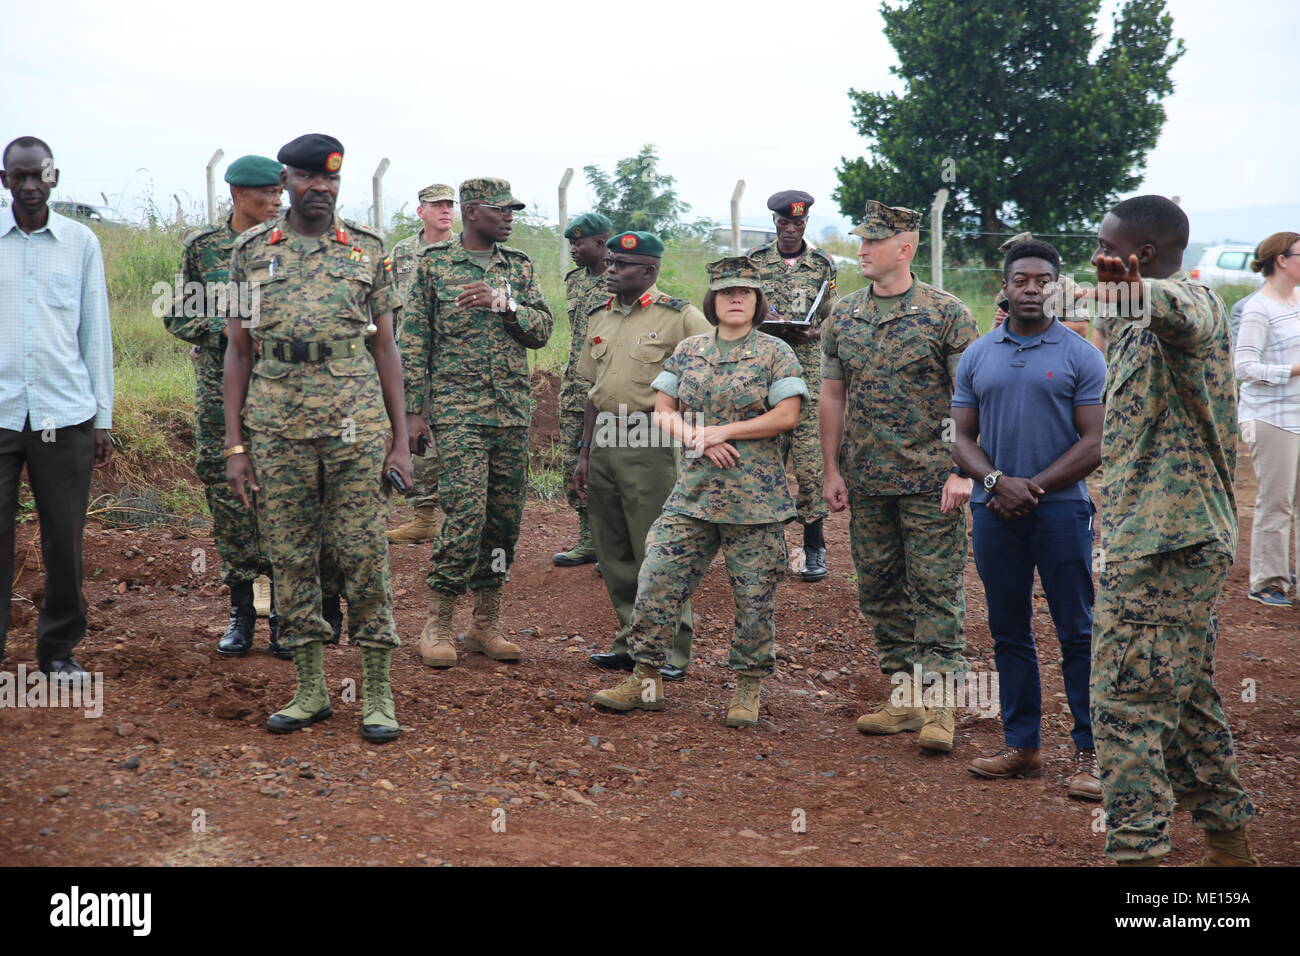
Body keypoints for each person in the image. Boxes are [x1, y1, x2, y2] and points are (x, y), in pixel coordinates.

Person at [224, 133, 413, 743]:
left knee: (362, 553)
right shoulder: (252, 250)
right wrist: (235, 446)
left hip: (353, 427)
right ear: (287, 183)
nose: (321, 188)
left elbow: (386, 346)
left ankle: (378, 693)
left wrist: (400, 441)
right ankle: (310, 690)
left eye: (331, 179)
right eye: (308, 179)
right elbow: (237, 350)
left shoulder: (366, 250)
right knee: (291, 555)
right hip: (276, 428)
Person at [1089, 194, 1257, 866]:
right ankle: (1227, 839)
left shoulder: (1195, 305)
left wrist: (1143, 294)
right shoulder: (1127, 325)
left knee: (1124, 707)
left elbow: (1181, 312)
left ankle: (1137, 857)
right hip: (1145, 543)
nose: (1097, 256)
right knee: (1184, 696)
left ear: (1143, 255)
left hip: (1169, 546)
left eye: (1107, 246)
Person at [591, 256, 806, 725]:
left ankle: (747, 690)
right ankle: (646, 681)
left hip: (754, 500)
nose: (735, 299)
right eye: (727, 292)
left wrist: (722, 432)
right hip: (693, 495)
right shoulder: (689, 349)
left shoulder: (775, 352)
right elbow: (663, 408)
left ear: (756, 301)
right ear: (712, 300)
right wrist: (695, 436)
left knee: (753, 598)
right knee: (657, 579)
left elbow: (787, 415)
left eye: (744, 292)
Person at [820, 200, 977, 754]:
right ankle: (904, 695)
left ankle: (939, 706)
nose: (860, 249)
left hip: (931, 481)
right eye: (860, 241)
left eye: (872, 242)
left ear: (904, 249)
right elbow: (833, 393)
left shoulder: (946, 313)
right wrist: (832, 468)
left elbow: (969, 399)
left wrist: (964, 471)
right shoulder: (843, 313)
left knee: (935, 590)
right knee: (879, 589)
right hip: (866, 480)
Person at [951, 239, 1105, 800]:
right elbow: (960, 437)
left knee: (1077, 630)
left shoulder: (1080, 354)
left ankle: (1093, 753)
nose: (1033, 288)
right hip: (993, 511)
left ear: (1056, 287)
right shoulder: (979, 354)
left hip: (1061, 510)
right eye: (1023, 280)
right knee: (1008, 630)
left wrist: (1033, 487)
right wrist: (995, 484)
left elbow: (1096, 441)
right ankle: (1023, 745)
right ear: (1007, 285)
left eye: (1044, 280)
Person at [401, 178, 552, 669]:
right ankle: (438, 622)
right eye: (500, 210)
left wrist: (504, 303)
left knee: (504, 524)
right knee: (465, 516)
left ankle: (486, 622)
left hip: (510, 411)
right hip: (457, 409)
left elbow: (543, 331)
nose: (509, 218)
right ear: (470, 212)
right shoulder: (433, 264)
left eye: (513, 211)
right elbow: (413, 342)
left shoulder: (518, 266)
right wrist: (413, 413)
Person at [573, 231, 711, 682]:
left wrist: (698, 441)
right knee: (614, 552)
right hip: (607, 441)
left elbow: (711, 375)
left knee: (658, 551)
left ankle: (670, 649)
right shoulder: (601, 317)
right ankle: (631, 643)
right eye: (610, 262)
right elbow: (594, 391)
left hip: (651, 441)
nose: (611, 269)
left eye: (621, 265)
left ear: (648, 271)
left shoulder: (679, 316)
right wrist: (585, 451)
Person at [166, 155, 289, 658]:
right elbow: (177, 313)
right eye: (267, 196)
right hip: (221, 395)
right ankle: (242, 612)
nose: (277, 203)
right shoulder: (205, 248)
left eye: (281, 195)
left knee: (284, 498)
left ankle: (285, 613)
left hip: (284, 393)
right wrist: (223, 330)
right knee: (229, 498)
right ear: (238, 196)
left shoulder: (292, 244)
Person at [0, 136, 113, 677]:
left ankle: (58, 650)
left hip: (64, 417)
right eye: (16, 176)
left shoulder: (80, 243)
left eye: (36, 176)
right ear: (4, 181)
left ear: (53, 178)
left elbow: (96, 334)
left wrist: (103, 418)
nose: (27, 186)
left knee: (63, 541)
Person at [747, 190, 837, 581]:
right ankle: (769, 547)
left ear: (805, 225)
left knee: (809, 462)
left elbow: (831, 316)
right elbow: (741, 310)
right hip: (765, 370)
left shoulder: (822, 265)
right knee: (766, 458)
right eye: (784, 223)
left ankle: (814, 547)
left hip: (807, 373)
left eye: (797, 224)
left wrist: (813, 331)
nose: (790, 229)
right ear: (774, 224)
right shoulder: (754, 263)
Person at [387, 184, 456, 545]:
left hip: (452, 359)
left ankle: (462, 518)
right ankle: (424, 516)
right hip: (410, 360)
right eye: (437, 205)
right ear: (421, 211)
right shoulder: (402, 253)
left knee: (457, 437)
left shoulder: (460, 251)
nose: (445, 211)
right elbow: (387, 305)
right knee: (418, 436)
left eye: (449, 205)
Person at [1235, 231, 1300, 607]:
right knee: (1277, 502)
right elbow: (1243, 367)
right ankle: (1268, 582)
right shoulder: (1258, 308)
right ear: (1282, 260)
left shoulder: (1296, 299)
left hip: (1297, 413)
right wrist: (1293, 370)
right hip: (1272, 417)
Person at [553, 212, 613, 567]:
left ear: (601, 244)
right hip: (576, 388)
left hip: (611, 387)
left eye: (580, 243)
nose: (574, 249)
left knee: (613, 465)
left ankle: (614, 542)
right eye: (571, 243)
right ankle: (588, 538)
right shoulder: (574, 281)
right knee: (575, 464)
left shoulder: (623, 278)